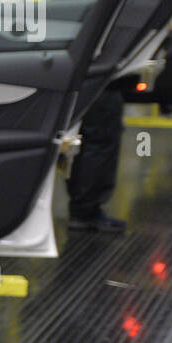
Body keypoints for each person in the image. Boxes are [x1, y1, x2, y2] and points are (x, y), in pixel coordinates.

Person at [66, 84, 126, 233]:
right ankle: (86, 211)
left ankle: (83, 209)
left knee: (87, 144)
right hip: (102, 85)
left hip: (87, 86)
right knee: (100, 145)